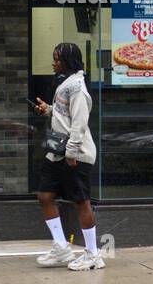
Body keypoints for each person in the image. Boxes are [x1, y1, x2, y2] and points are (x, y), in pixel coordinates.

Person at [33, 42, 103, 270]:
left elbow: (80, 124)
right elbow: (66, 116)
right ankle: (62, 247)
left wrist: (72, 153)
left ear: (67, 61)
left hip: (75, 155)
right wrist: (50, 110)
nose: (53, 63)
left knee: (81, 202)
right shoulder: (66, 84)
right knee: (45, 195)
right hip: (57, 153)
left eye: (57, 59)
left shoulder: (77, 87)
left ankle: (93, 255)